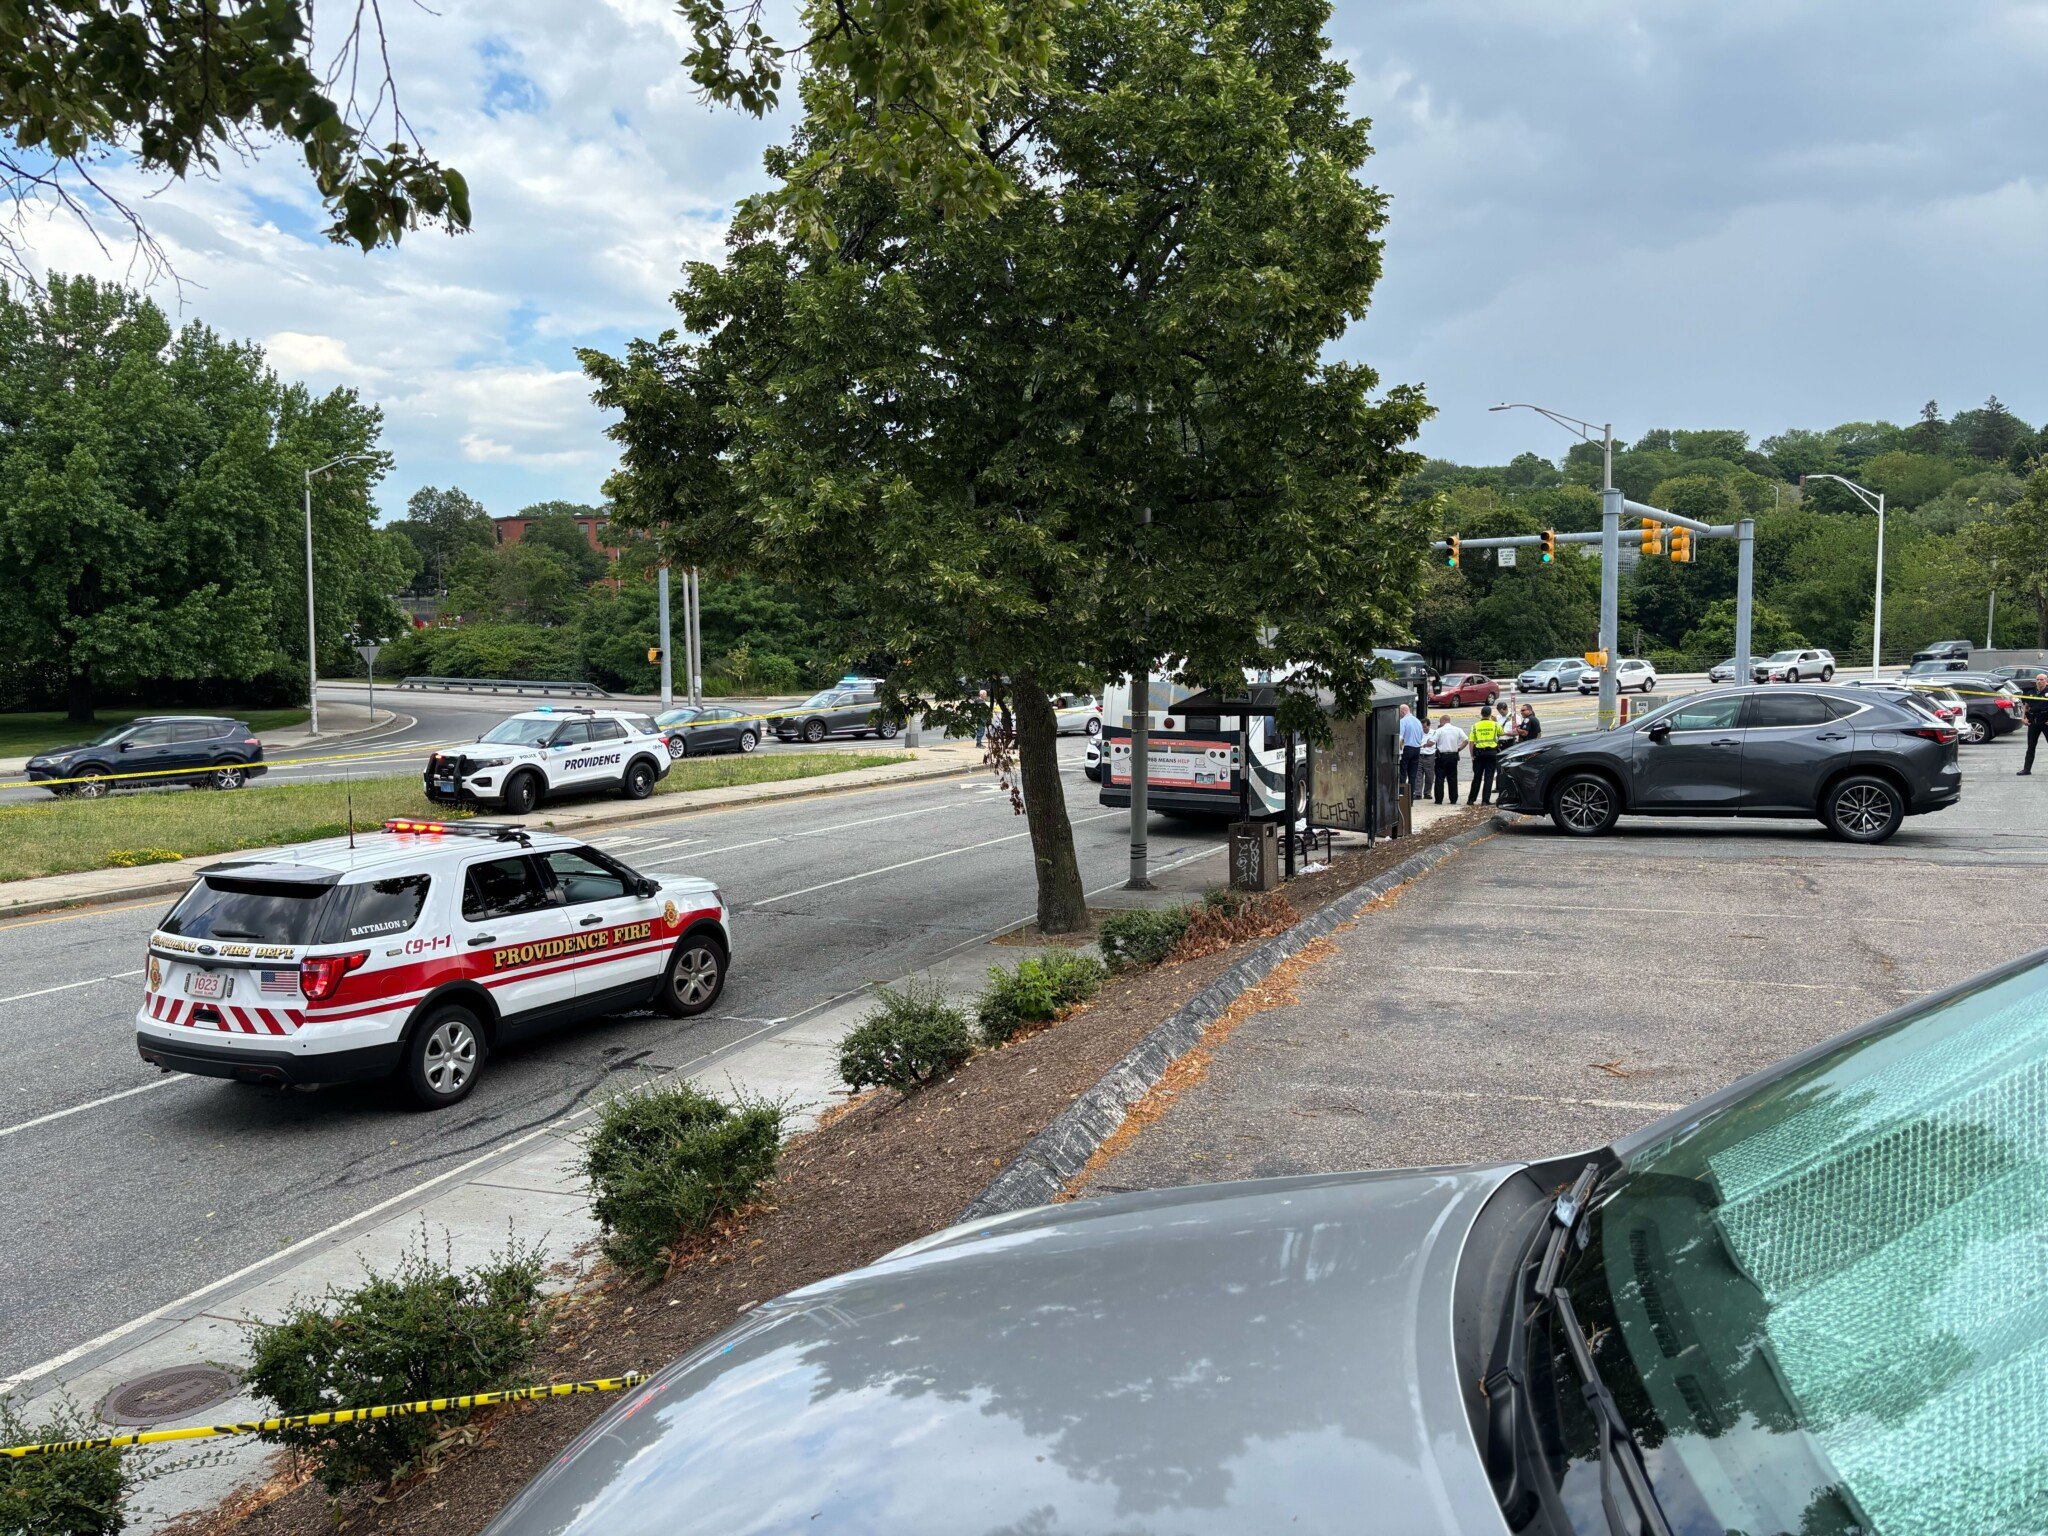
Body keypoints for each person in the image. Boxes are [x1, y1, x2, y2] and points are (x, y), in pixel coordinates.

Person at [1467, 705, 1501, 804]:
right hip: (1491, 753)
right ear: (1490, 714)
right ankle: (1485, 801)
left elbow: (1471, 742)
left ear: (1481, 714)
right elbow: (1501, 732)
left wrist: (1472, 755)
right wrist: (1495, 722)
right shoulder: (1495, 724)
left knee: (1477, 777)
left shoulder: (1475, 726)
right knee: (1489, 777)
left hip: (1479, 754)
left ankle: (1471, 800)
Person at [1431, 713, 1466, 804]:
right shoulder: (1458, 729)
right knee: (1452, 778)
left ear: (1442, 721)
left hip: (1442, 756)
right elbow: (1466, 740)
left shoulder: (1440, 730)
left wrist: (1426, 744)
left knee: (1439, 778)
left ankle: (1439, 799)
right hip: (1453, 755)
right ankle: (1453, 799)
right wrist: (1459, 749)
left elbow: (1432, 741)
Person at [2021, 673, 2048, 776]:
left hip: (2045, 721)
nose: (2039, 681)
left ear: (2046, 681)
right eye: (2037, 679)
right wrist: (2023, 717)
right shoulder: (2031, 692)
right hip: (2034, 721)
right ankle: (2026, 769)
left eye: (2041, 679)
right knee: (2030, 747)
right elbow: (2026, 706)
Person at [1396, 702, 1425, 800]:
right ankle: (1410, 799)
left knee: (1403, 773)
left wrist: (1399, 753)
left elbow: (1400, 737)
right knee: (1412, 774)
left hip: (1406, 749)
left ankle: (1402, 797)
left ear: (1402, 711)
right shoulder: (1417, 721)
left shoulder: (1403, 721)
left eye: (1399, 712)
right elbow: (1421, 737)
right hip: (1417, 749)